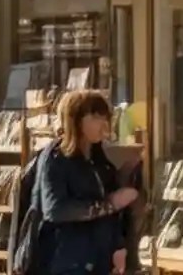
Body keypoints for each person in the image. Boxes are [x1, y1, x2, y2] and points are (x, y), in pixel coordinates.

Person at [36, 90, 140, 275]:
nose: (104, 123)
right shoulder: (55, 157)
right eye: (96, 117)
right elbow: (55, 209)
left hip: (100, 262)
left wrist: (119, 246)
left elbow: (113, 210)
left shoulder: (98, 158)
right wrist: (107, 204)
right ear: (76, 120)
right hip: (67, 263)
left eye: (105, 117)